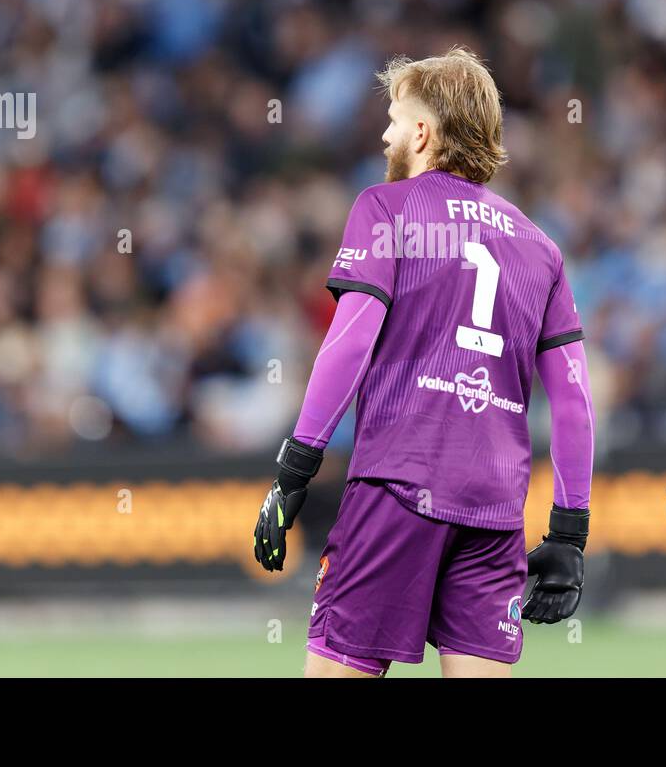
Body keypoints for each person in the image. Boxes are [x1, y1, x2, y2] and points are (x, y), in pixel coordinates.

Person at [252, 47, 595, 677]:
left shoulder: (385, 209)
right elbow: (573, 398)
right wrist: (569, 531)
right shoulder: (541, 248)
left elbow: (350, 342)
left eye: (393, 116)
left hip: (398, 485)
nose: (384, 132)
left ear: (421, 131)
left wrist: (295, 468)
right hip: (494, 507)